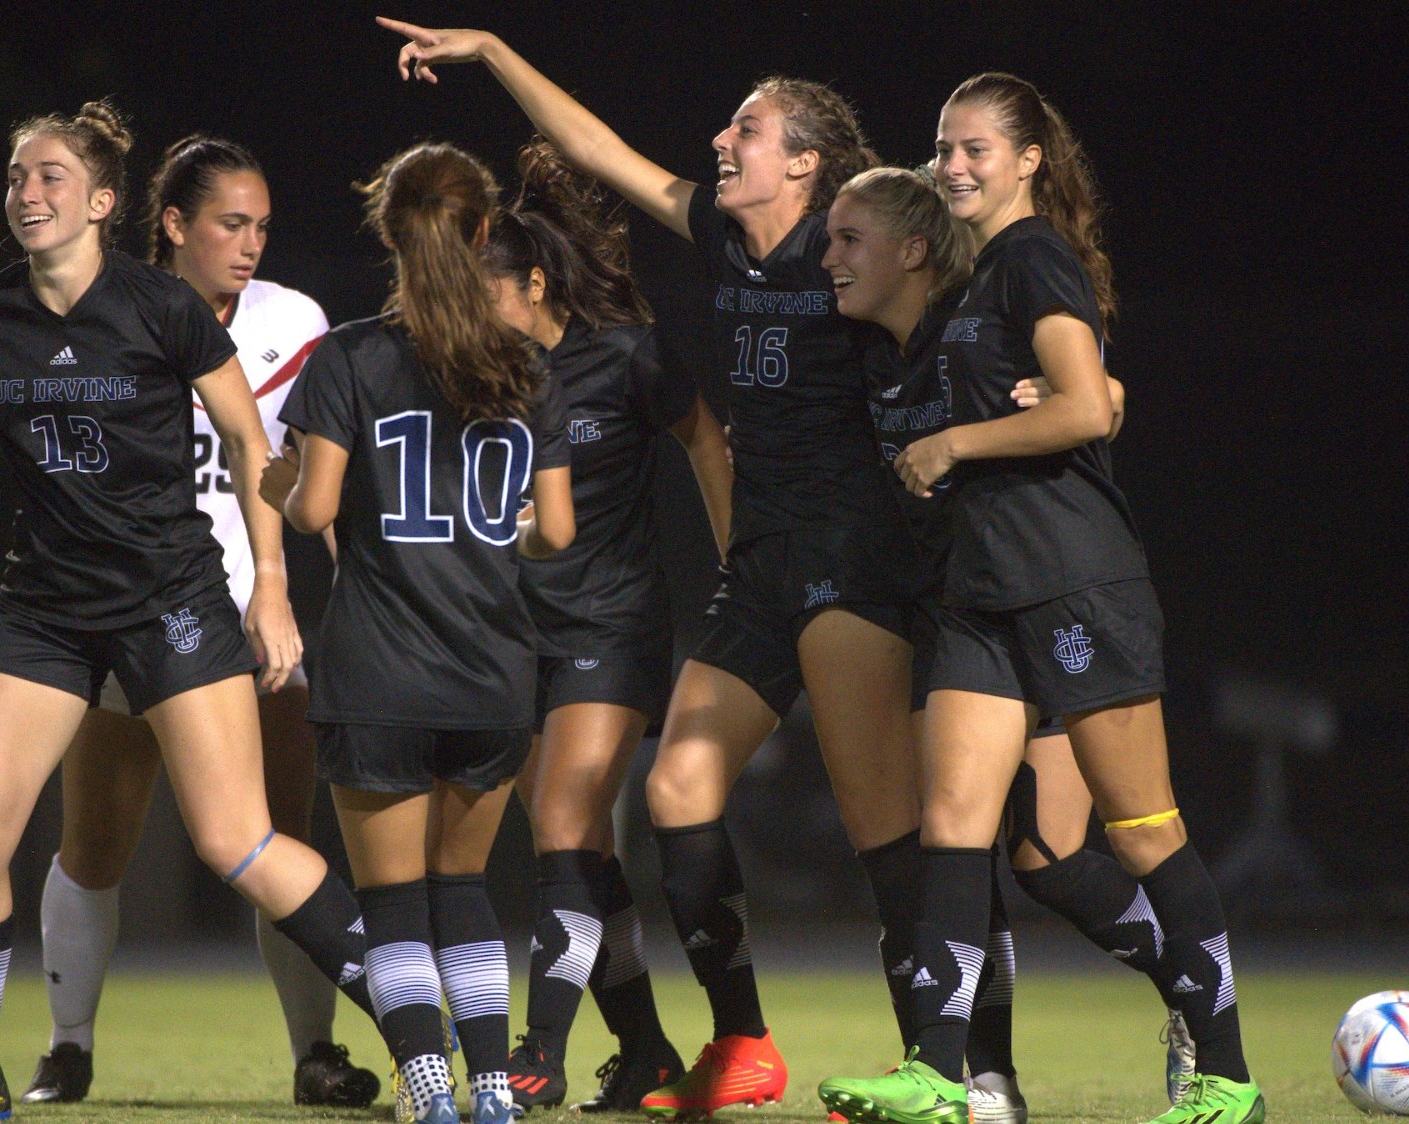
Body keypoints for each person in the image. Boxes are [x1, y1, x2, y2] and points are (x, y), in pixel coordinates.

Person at [379, 21, 927, 1116]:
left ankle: (946, 1061)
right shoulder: (728, 243)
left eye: (748, 129)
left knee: (885, 827)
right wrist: (494, 52)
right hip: (764, 570)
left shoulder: (852, 244)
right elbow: (595, 150)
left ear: (807, 162)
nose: (722, 140)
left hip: (850, 559)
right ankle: (744, 1042)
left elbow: (953, 283)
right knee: (677, 793)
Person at [0, 100, 380, 1123]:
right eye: (18, 175)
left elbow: (251, 446)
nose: (28, 192)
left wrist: (274, 583)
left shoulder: (163, 307)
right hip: (44, 609)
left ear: (104, 201)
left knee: (240, 840)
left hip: (171, 601)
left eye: (51, 176)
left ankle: (422, 1033)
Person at [818, 75, 1264, 1124]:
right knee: (952, 825)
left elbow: (1084, 409)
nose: (952, 165)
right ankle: (939, 1073)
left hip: (1072, 582)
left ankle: (1227, 1074)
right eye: (942, 147)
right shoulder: (979, 277)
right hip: (978, 592)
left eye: (974, 148)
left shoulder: (1032, 256)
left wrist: (955, 441)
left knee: (1142, 830)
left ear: (1027, 161)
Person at [20, 133, 381, 1109]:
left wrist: (302, 593)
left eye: (261, 225)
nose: (251, 243)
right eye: (231, 223)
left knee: (273, 836)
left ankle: (317, 1050)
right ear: (174, 224)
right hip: (125, 611)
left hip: (251, 624)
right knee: (95, 840)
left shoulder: (293, 322)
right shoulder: (102, 309)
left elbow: (312, 475)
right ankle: (67, 1047)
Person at [260, 141, 575, 1124]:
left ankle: (430, 1085)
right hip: (493, 671)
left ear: (389, 234)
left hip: (379, 670)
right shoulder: (526, 363)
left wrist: (279, 482)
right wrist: (499, 530)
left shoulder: (352, 355)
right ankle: (493, 1085)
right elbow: (557, 531)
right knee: (465, 885)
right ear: (482, 231)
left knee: (393, 901)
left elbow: (313, 510)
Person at [479, 139, 734, 1113]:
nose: (467, 308)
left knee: (561, 824)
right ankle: (645, 1050)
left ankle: (538, 1053)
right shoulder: (479, 373)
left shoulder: (626, 351)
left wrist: (737, 562)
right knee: (578, 850)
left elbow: (705, 441)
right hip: (514, 635)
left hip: (610, 625)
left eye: (482, 289)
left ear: (534, 284)